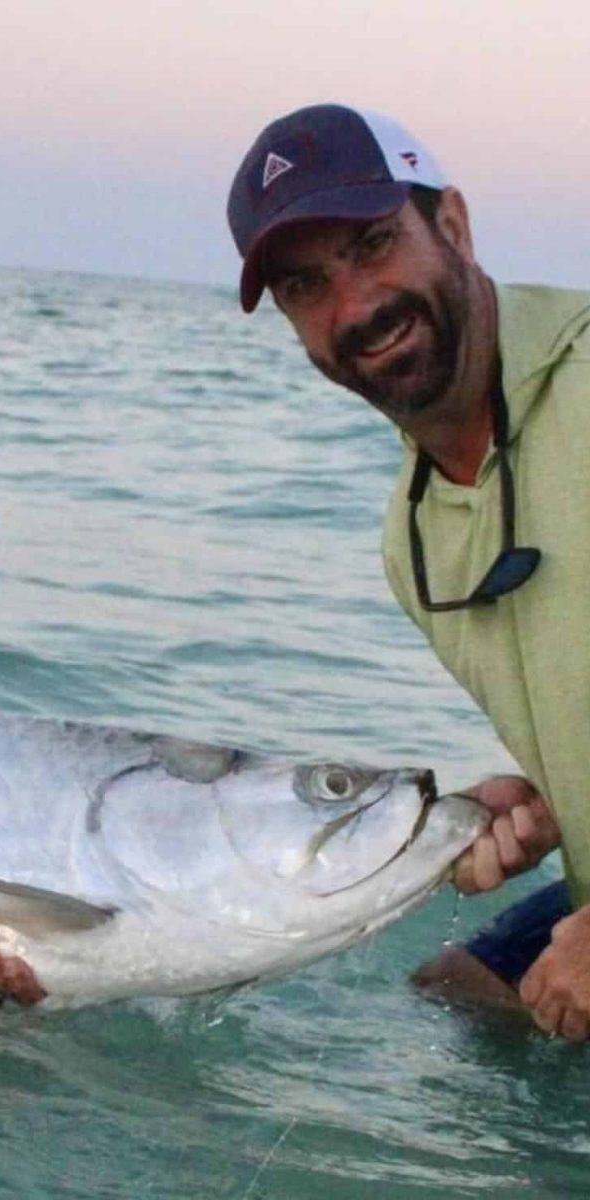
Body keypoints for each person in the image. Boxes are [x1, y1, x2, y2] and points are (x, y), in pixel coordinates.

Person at [226, 103, 588, 1040]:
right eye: (309, 286)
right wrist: (551, 799)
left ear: (455, 227)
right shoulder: (413, 539)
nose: (356, 305)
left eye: (377, 245)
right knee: (455, 993)